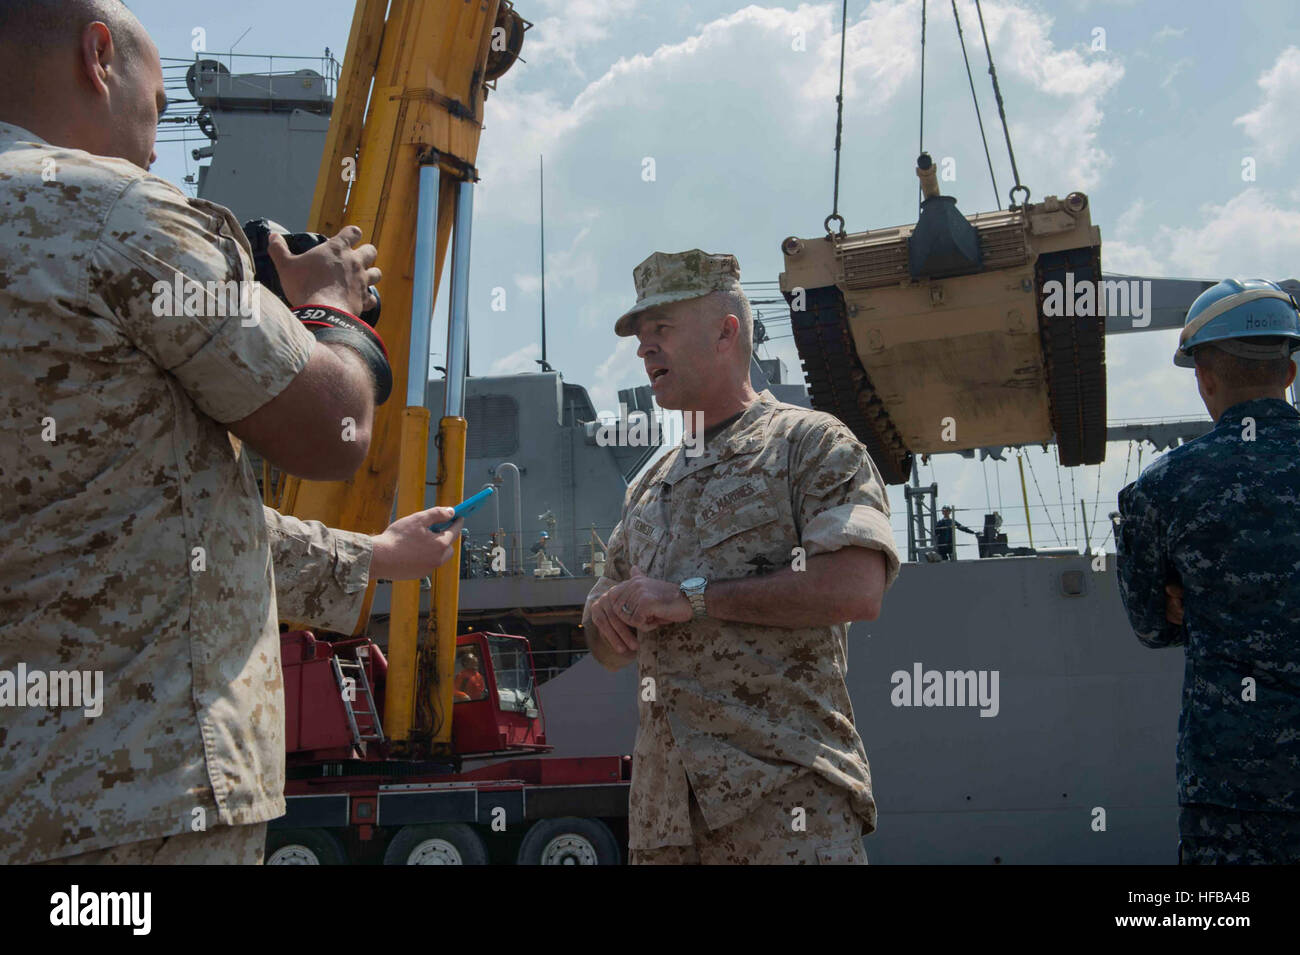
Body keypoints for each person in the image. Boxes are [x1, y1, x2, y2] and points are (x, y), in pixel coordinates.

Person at [0, 0, 462, 865]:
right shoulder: (118, 217)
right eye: (160, 104)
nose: (150, 141)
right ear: (99, 56)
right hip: (131, 803)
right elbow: (335, 427)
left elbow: (149, 517)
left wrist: (372, 558)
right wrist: (331, 311)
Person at [582, 249, 900, 864]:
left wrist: (692, 599)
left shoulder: (808, 446)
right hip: (665, 822)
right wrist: (608, 620)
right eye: (640, 337)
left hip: (784, 808)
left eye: (662, 330)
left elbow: (856, 587)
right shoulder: (647, 487)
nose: (644, 349)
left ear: (727, 330)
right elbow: (602, 643)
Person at [1116, 278, 1300, 865]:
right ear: (1289, 372)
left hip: (1234, 788)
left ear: (1206, 377)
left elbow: (1152, 627)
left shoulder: (1162, 488)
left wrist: (1192, 599)